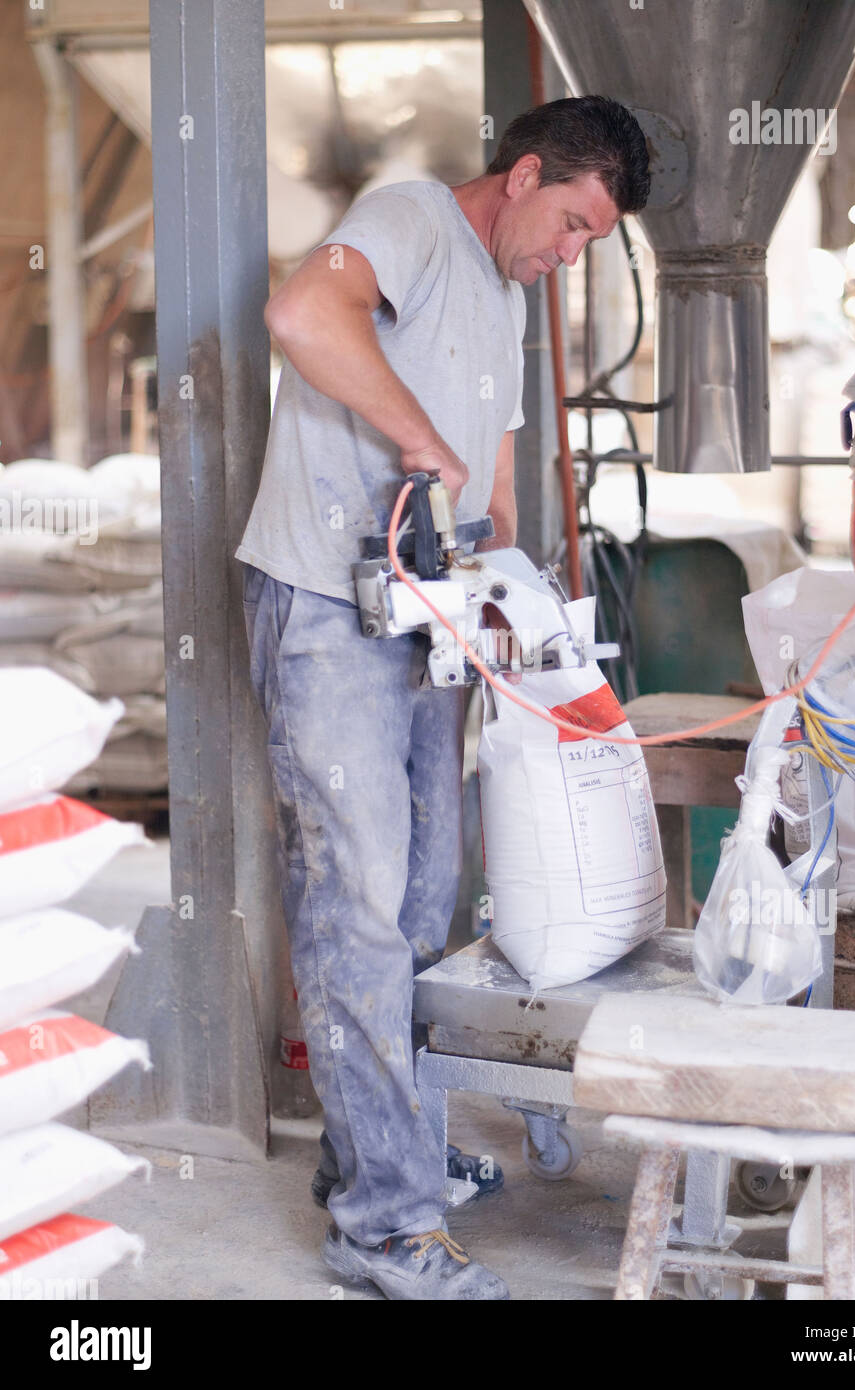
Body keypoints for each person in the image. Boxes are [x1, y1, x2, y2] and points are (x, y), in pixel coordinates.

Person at [236, 94, 650, 1301]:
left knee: (424, 903)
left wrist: (527, 608)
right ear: (523, 176)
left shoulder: (509, 295)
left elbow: (499, 469)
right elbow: (302, 313)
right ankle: (384, 1228)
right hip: (324, 605)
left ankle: (384, 1154)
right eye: (571, 222)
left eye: (589, 241)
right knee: (357, 904)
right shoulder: (413, 219)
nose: (570, 254)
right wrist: (421, 443)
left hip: (431, 616)